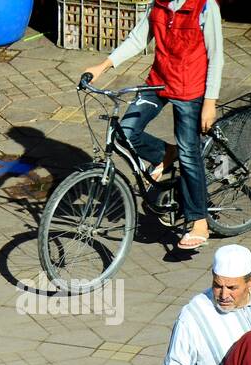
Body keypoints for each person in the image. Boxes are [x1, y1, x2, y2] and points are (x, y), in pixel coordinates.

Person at [86, 0, 225, 252]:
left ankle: (199, 221)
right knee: (124, 133)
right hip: (158, 82)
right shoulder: (158, 4)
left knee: (189, 154)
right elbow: (138, 39)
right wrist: (102, 67)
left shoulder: (205, 7)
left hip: (190, 89)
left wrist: (210, 101)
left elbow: (216, 56)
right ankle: (164, 153)